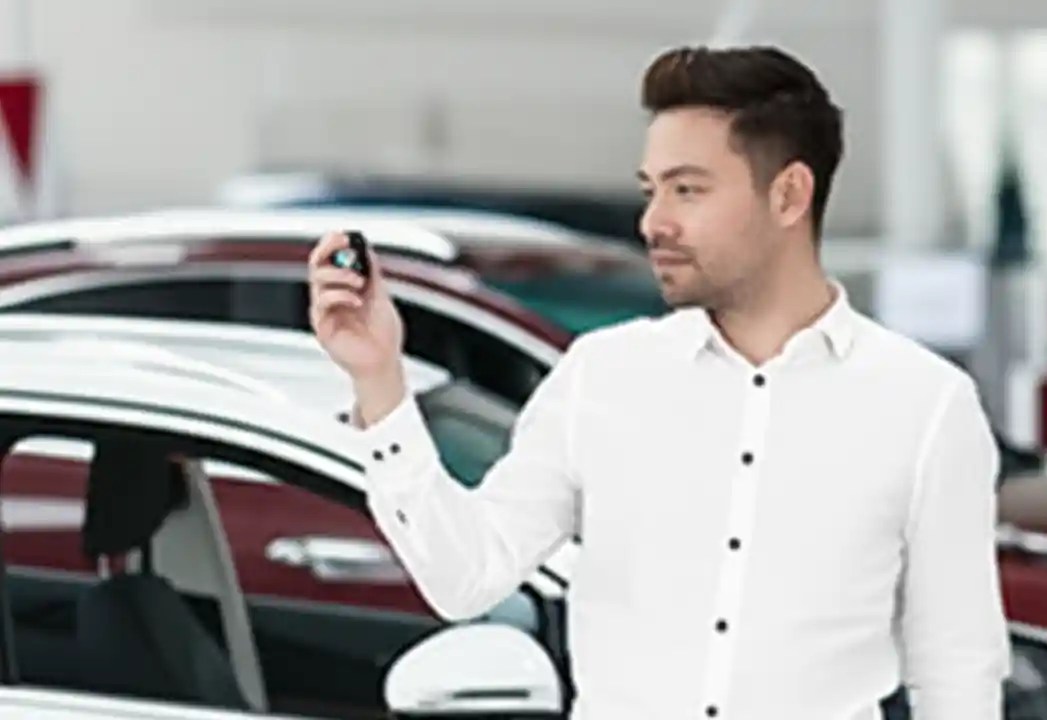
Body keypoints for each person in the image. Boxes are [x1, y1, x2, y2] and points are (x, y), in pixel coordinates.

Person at [307, 45, 1010, 720]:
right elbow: (465, 578)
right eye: (652, 190)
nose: (653, 222)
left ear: (790, 194)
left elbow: (957, 670)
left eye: (688, 190)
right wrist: (379, 382)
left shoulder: (924, 406)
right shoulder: (601, 378)